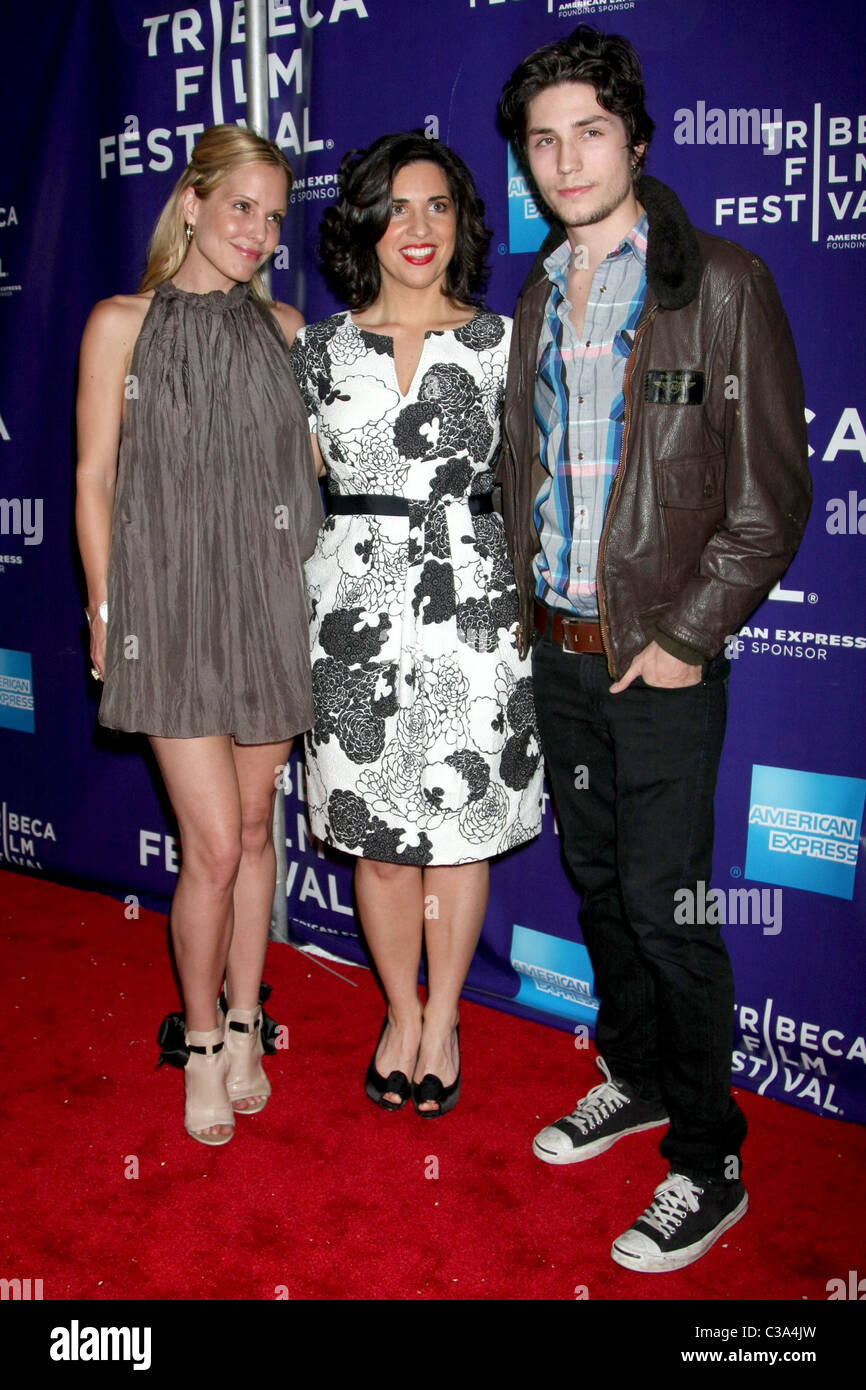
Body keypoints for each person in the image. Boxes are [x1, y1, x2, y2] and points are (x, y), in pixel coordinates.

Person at [497, 27, 811, 1269]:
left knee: (668, 909)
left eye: (587, 131)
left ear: (634, 138)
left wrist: (685, 636)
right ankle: (632, 1077)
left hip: (660, 662)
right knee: (597, 887)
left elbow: (771, 495)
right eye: (541, 139)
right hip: (559, 655)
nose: (564, 159)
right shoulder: (532, 295)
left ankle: (708, 1156)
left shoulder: (716, 284)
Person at [75, 125, 322, 1146]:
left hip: (268, 602)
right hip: (167, 613)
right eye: (238, 208)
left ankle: (251, 1018)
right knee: (213, 847)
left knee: (257, 830)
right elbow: (92, 480)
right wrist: (103, 610)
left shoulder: (288, 329)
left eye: (272, 216)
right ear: (190, 201)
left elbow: (314, 470)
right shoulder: (118, 324)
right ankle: (206, 1040)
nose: (257, 232)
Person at [289, 132, 543, 1116]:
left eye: (436, 205)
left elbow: (538, 484)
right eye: (395, 206)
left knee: (458, 830)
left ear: (462, 223)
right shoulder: (315, 348)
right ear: (363, 221)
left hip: (469, 609)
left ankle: (443, 1023)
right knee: (381, 838)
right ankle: (399, 1009)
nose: (416, 226)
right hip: (350, 608)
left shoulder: (499, 343)